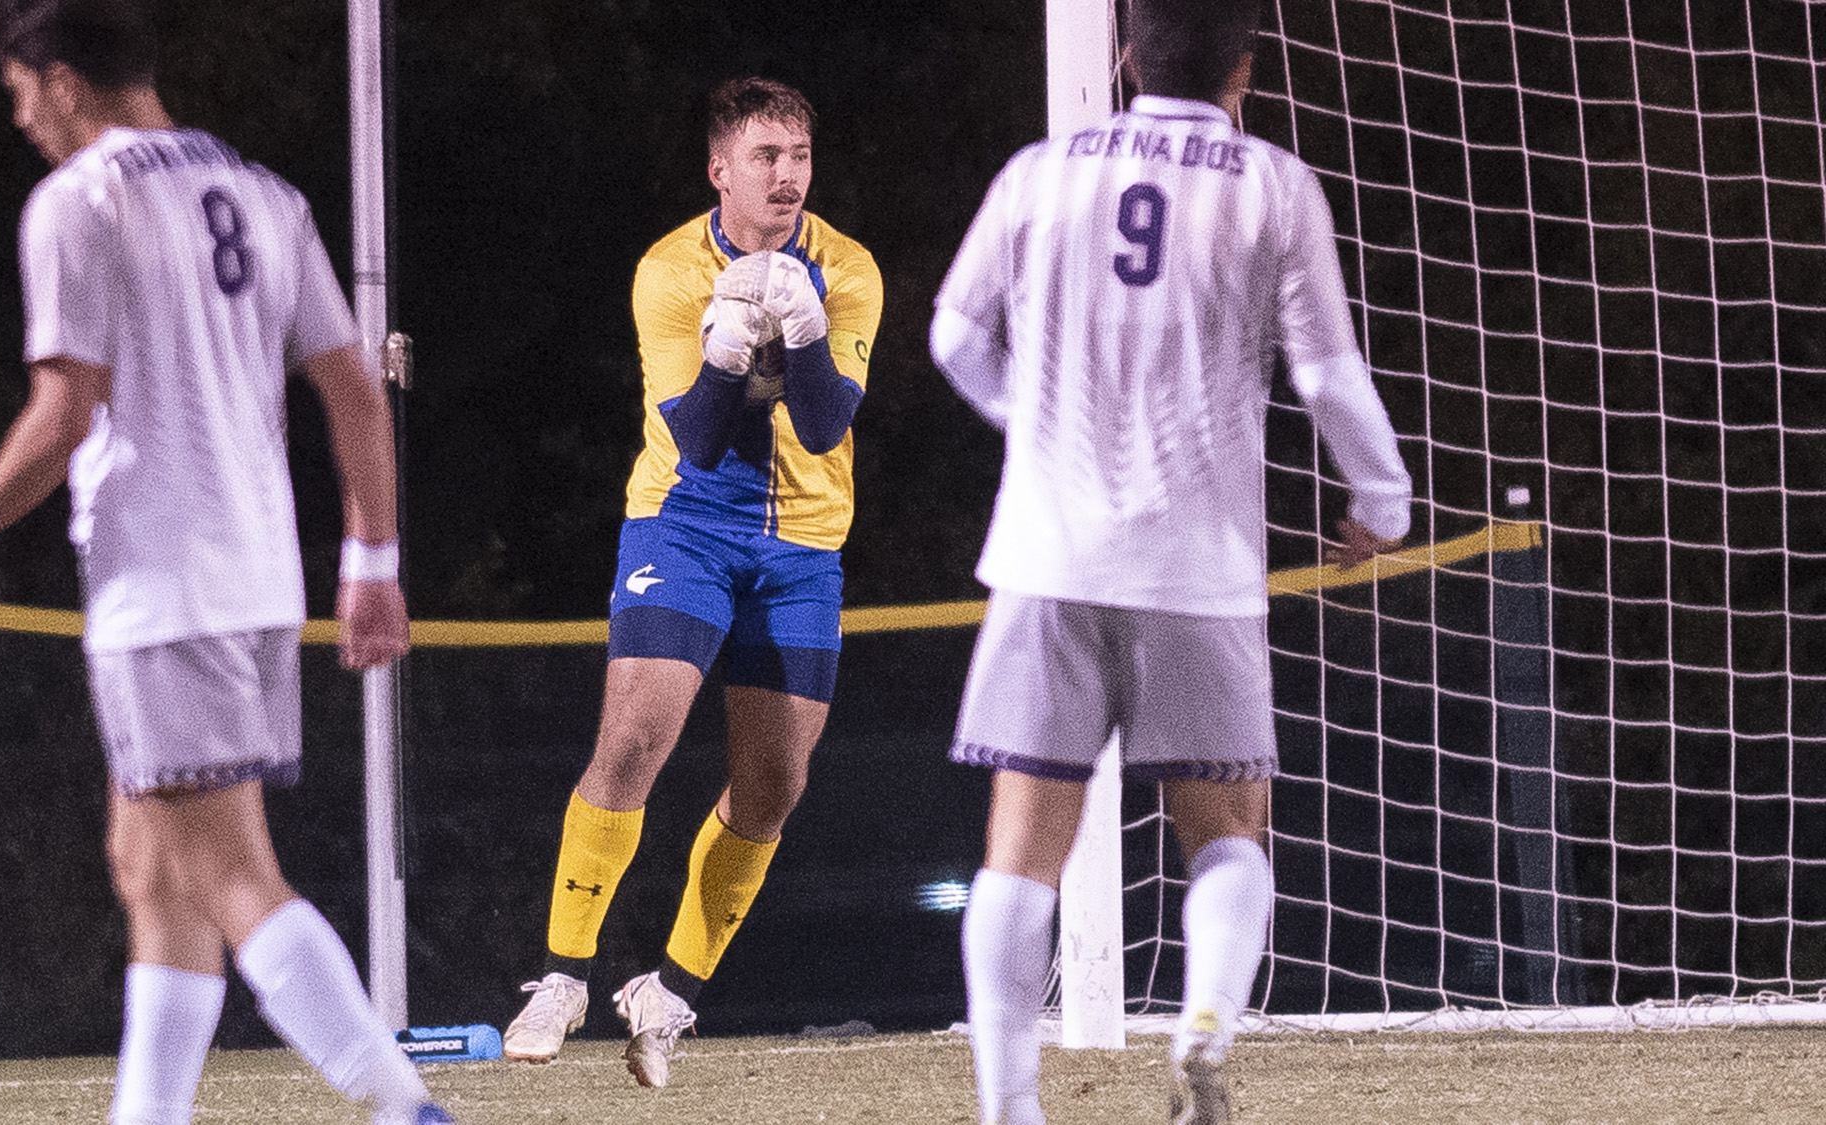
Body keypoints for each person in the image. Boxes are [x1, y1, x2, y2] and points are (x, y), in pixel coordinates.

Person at [0, 3, 449, 1123]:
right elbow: (348, 388)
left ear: (57, 79)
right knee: (151, 870)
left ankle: (397, 1103)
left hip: (164, 582)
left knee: (230, 870)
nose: (19, 117)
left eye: (16, 91)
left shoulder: (79, 203)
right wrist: (370, 560)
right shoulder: (264, 194)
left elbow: (64, 409)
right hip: (254, 581)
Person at [928, 2, 1413, 1123]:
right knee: (1228, 830)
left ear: (1121, 56)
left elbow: (955, 336)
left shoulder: (1039, 173)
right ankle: (1200, 1025)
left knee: (1018, 850)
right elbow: (1328, 376)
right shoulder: (1270, 185)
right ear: (1243, 68)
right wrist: (1377, 503)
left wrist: (1033, 426)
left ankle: (1009, 1111)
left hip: (1048, 558)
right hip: (1196, 569)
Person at [499, 76, 882, 1089]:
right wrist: (723, 352)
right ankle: (561, 975)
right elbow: (703, 441)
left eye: (798, 156)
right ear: (720, 170)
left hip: (801, 546)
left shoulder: (845, 268)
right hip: (687, 524)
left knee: (774, 785)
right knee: (634, 737)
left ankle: (666, 994)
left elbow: (826, 425)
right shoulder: (670, 270)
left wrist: (799, 331)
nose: (786, 176)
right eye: (764, 157)